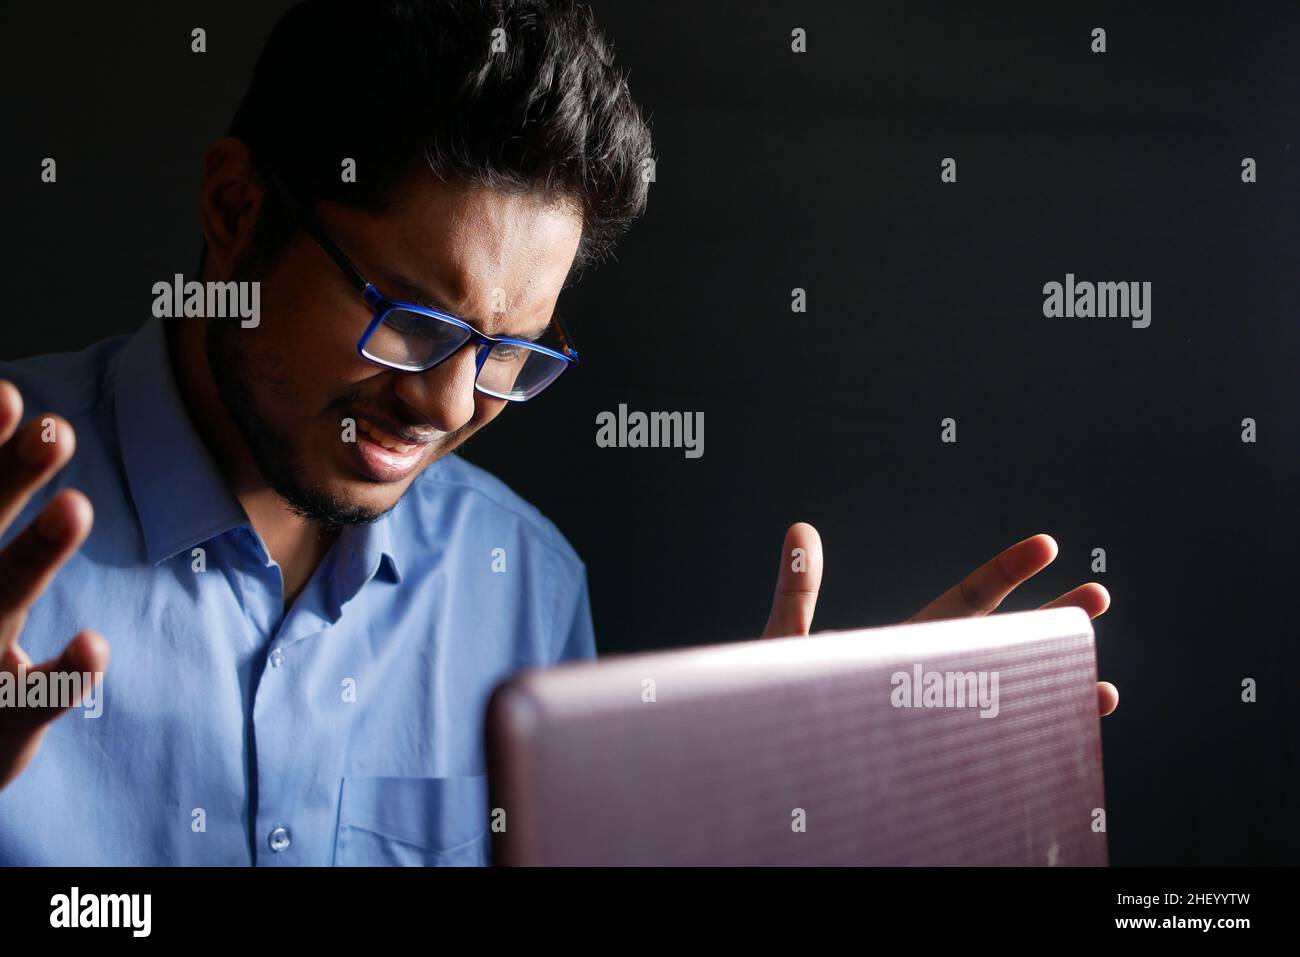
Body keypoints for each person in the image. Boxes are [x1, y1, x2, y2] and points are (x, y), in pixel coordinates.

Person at [0, 0, 1116, 865]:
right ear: (236, 210)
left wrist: (764, 826)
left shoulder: (521, 582)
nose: (446, 407)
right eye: (411, 321)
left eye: (507, 351)